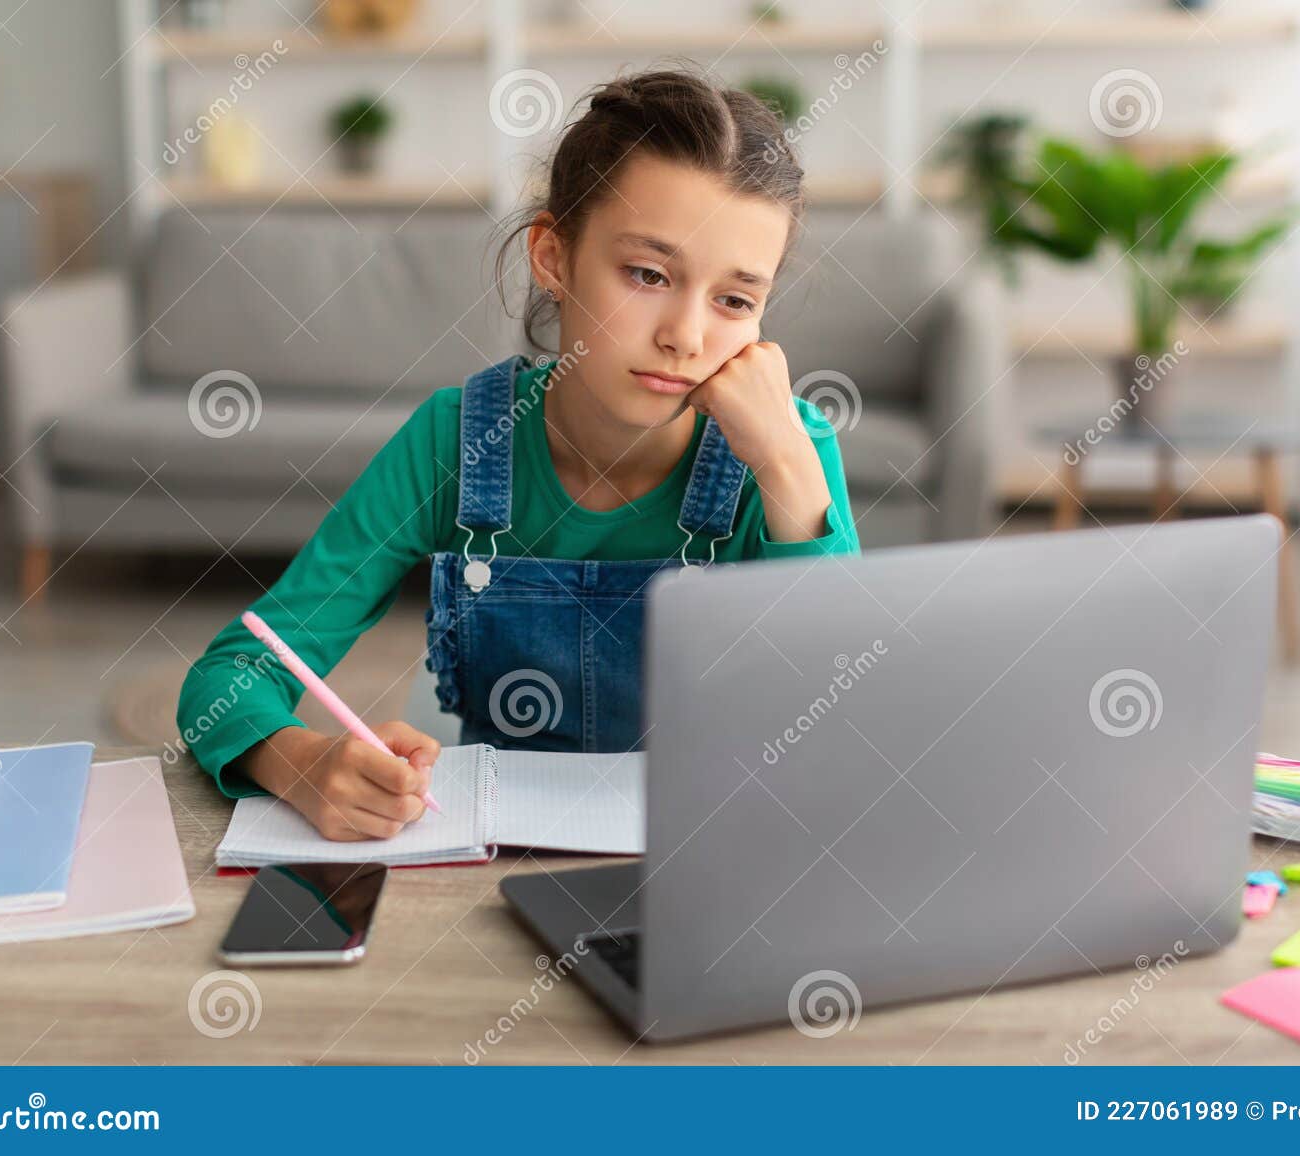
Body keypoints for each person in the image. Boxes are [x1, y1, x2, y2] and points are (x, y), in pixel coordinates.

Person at [177, 66, 860, 841]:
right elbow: (230, 676)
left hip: (715, 857)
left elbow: (842, 739)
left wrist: (785, 465)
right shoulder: (453, 441)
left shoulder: (787, 453)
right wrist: (299, 762)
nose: (688, 336)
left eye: (734, 299)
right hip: (493, 873)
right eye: (647, 274)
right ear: (552, 257)